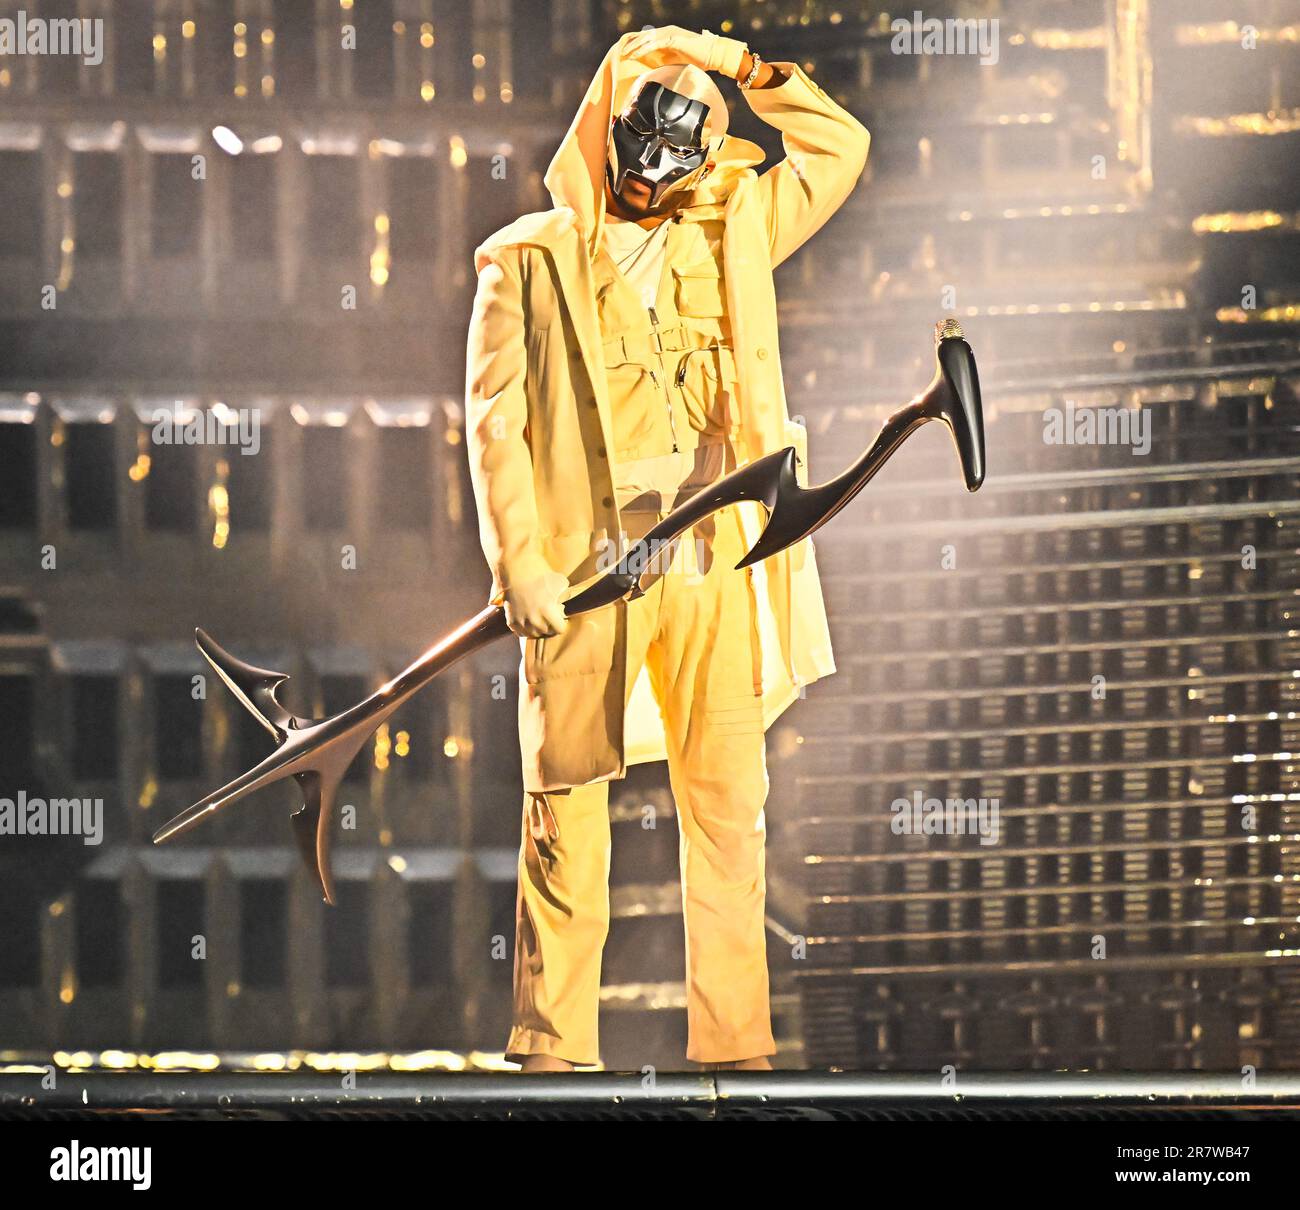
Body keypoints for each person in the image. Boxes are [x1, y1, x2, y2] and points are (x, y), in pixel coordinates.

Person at [465, 24, 870, 1071]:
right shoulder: (524, 260)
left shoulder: (735, 225)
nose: (648, 182)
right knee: (565, 817)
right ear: (606, 130)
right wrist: (519, 567)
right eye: (635, 156)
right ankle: (551, 1054)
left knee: (731, 810)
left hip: (715, 556)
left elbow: (838, 146)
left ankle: (736, 1053)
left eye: (671, 165)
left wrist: (728, 58)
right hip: (589, 566)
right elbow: (492, 424)